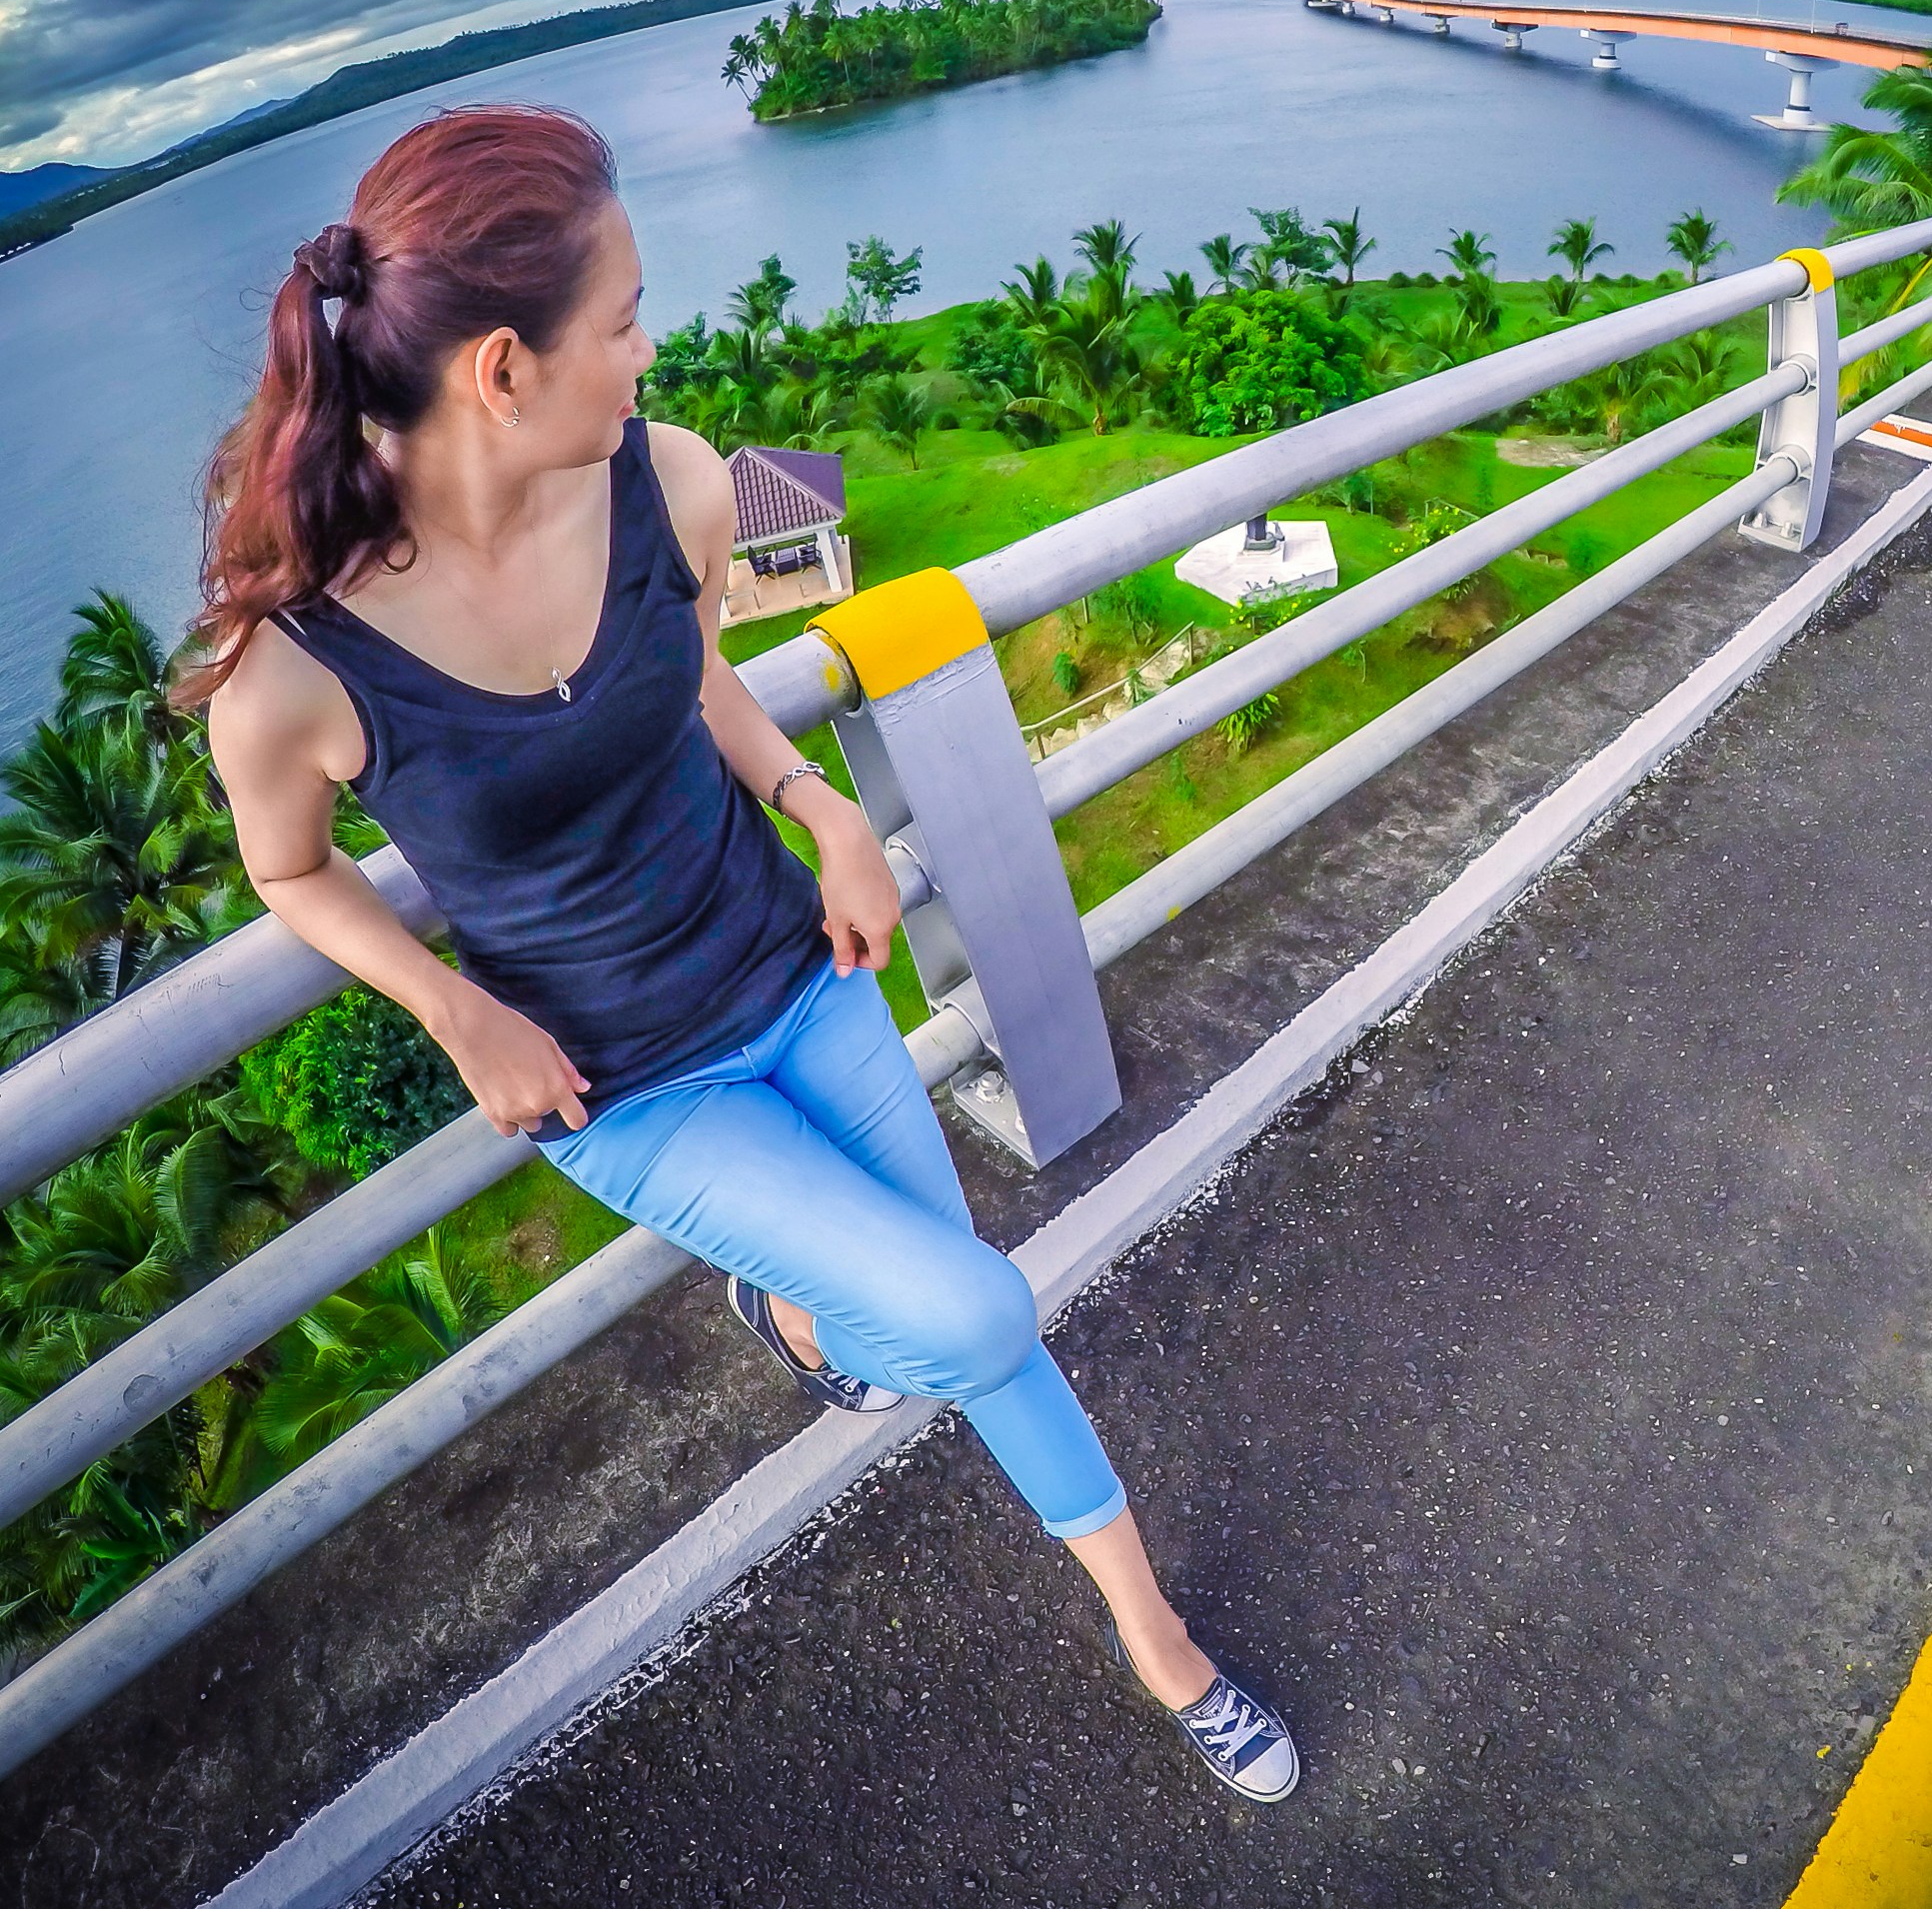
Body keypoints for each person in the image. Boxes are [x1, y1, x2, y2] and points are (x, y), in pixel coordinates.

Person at [186, 105, 1294, 1802]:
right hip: (622, 1083)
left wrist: (818, 803)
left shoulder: (672, 481)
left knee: (971, 1319)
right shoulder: (297, 667)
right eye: (622, 317)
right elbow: (291, 869)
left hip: (796, 970)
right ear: (501, 366)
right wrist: (453, 1000)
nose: (651, 346)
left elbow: (693, 683)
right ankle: (804, 1311)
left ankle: (1154, 1640)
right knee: (981, 1305)